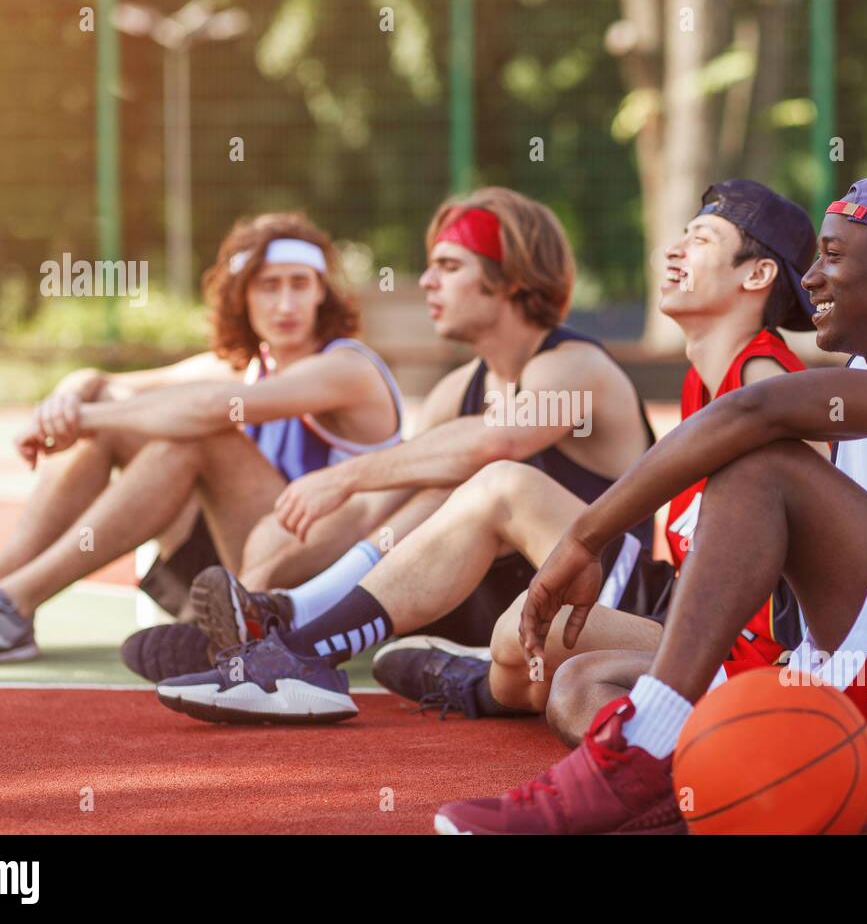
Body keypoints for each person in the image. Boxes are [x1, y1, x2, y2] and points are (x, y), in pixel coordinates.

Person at [435, 173, 867, 835]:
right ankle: (752, 783)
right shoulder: (865, 378)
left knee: (762, 464)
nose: (812, 277)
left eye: (835, 256)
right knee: (582, 683)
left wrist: (585, 538)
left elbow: (758, 411)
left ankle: (640, 758)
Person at [143, 187, 657, 717]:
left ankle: (298, 634)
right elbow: (387, 501)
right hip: (497, 606)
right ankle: (279, 617)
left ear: (511, 276)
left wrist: (347, 476)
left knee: (486, 476)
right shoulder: (456, 390)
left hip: (601, 601)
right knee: (425, 483)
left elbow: (498, 440)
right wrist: (268, 573)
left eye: (449, 266)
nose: (428, 282)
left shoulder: (577, 368)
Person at [354, 179, 820, 725]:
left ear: (757, 274)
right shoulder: (706, 381)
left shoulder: (766, 384)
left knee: (535, 650)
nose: (672, 250)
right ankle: (473, 677)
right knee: (520, 637)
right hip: (683, 607)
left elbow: (818, 547)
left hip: (752, 648)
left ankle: (465, 680)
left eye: (701, 240)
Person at [0, 212, 403, 662]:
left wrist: (88, 416)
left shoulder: (346, 368)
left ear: (322, 293)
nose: (286, 302)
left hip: (313, 573)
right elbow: (108, 386)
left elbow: (204, 409)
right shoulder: (246, 367)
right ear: (242, 296)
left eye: (299, 283)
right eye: (268, 285)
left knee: (196, 434)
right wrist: (69, 397)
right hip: (241, 556)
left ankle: (16, 603)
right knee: (126, 424)